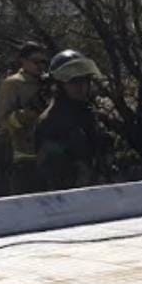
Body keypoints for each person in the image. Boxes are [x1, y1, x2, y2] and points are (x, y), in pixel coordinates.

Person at [35, 50, 110, 191]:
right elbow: (53, 174)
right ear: (59, 85)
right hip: (68, 200)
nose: (80, 86)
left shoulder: (89, 115)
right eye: (72, 81)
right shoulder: (51, 121)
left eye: (83, 80)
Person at [0, 42, 50, 193]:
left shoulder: (47, 82)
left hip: (51, 153)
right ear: (23, 61)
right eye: (35, 61)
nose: (40, 66)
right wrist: (29, 112)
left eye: (43, 62)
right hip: (26, 157)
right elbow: (5, 122)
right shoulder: (12, 84)